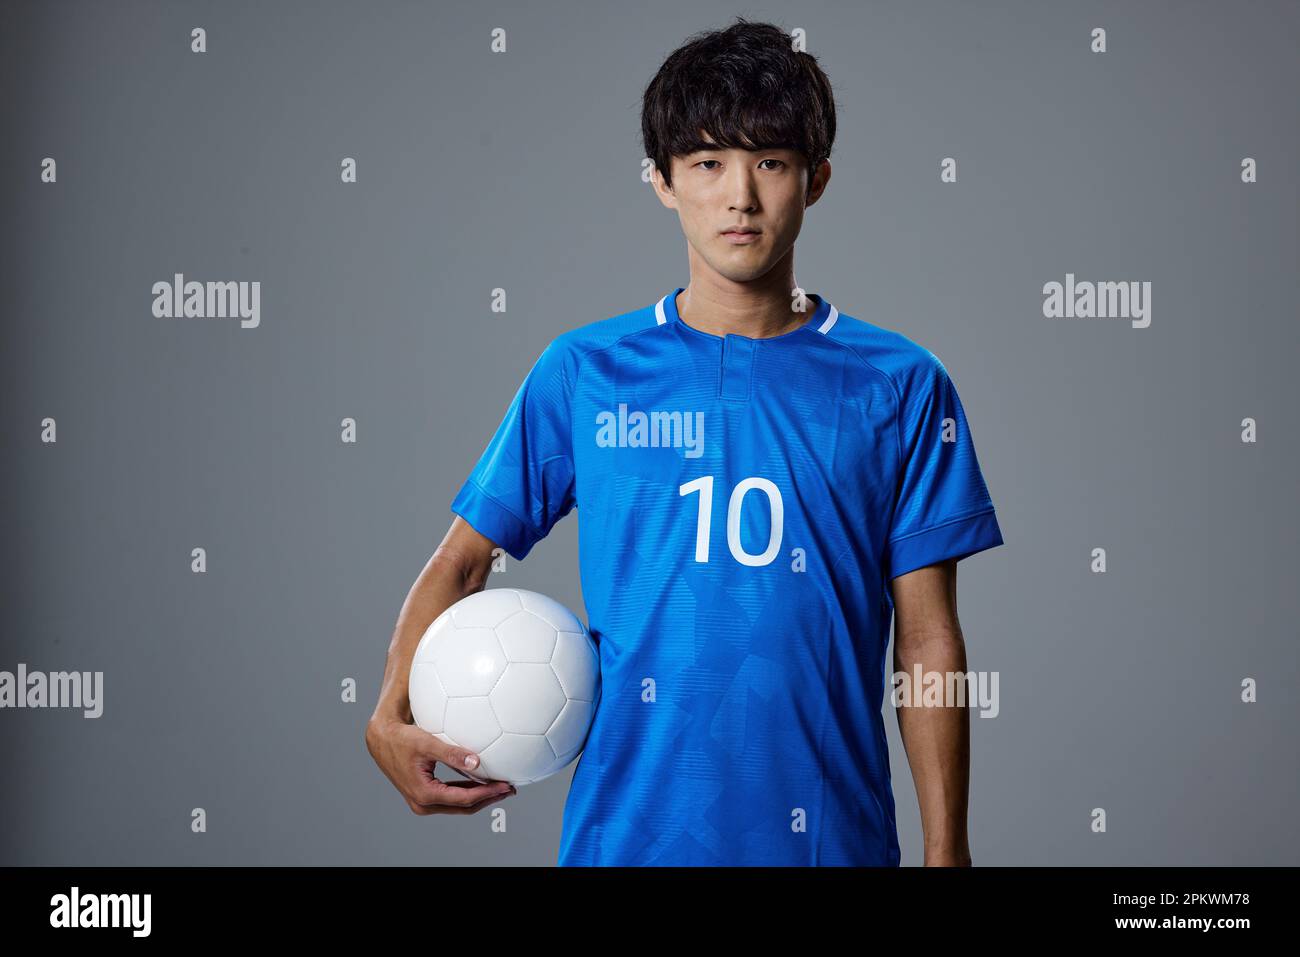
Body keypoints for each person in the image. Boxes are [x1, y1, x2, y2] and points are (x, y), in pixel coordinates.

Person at [366, 17, 1004, 866]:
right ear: (664, 182)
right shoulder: (587, 373)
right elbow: (462, 562)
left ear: (815, 180)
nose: (739, 196)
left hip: (832, 844)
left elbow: (926, 636)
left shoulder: (901, 384)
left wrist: (947, 848)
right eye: (707, 163)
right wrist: (387, 715)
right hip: (628, 841)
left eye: (770, 162)